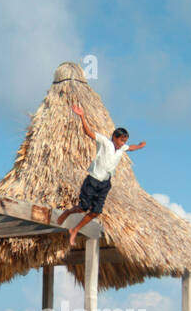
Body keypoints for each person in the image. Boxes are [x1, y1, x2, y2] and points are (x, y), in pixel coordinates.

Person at [62, 102, 146, 243]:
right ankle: (68, 212)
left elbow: (130, 148)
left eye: (124, 141)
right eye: (121, 140)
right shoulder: (104, 142)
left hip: (105, 183)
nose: (122, 143)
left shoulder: (122, 148)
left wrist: (140, 146)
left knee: (96, 211)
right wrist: (82, 116)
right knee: (83, 207)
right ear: (114, 137)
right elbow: (88, 132)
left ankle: (75, 229)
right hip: (93, 180)